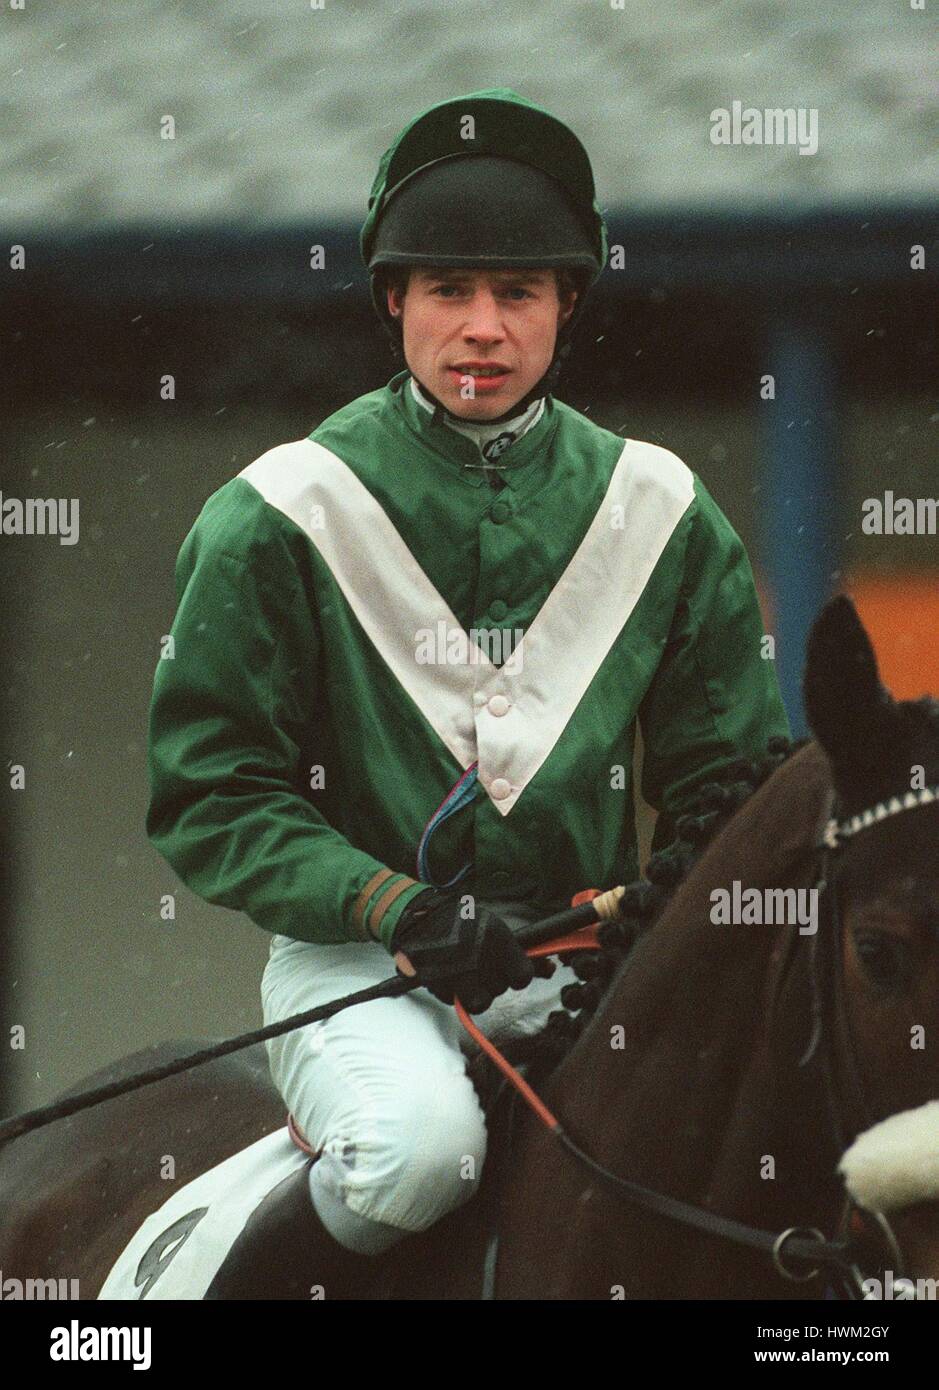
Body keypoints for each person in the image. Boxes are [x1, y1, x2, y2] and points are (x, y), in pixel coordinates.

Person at [145, 88, 791, 1292]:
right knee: (414, 1155)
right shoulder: (277, 515)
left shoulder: (662, 513)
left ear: (567, 307)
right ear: (394, 301)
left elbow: (730, 791)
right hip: (361, 967)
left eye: (518, 294)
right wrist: (393, 904)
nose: (482, 329)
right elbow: (211, 797)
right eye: (447, 290)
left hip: (585, 967)